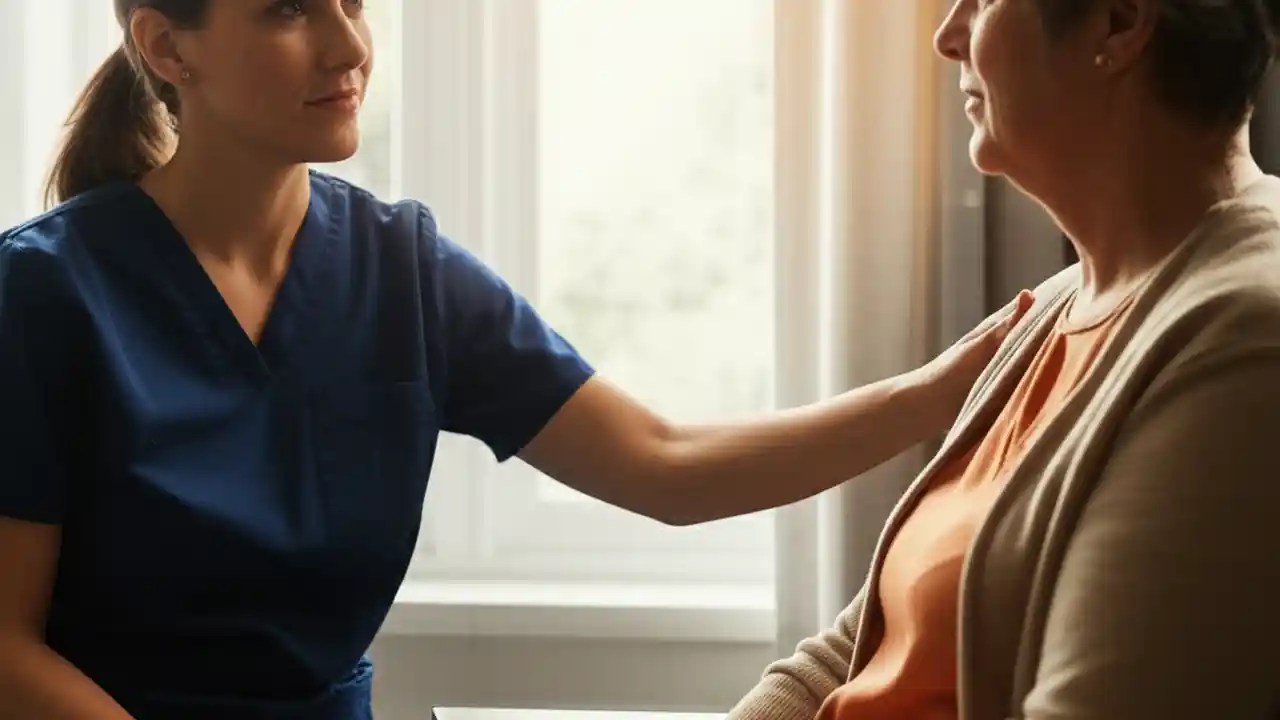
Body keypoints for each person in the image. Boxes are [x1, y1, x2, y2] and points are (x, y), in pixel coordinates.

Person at [0, 2, 1030, 718]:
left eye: (353, 1)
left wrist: (941, 394)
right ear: (166, 47)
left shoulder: (402, 269)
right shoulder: (43, 293)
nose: (348, 43)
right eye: (286, 10)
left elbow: (664, 464)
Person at [729, 0, 1280, 718]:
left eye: (983, 0)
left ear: (1117, 23)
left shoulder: (1244, 343)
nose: (947, 35)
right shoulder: (1062, 304)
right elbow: (851, 655)